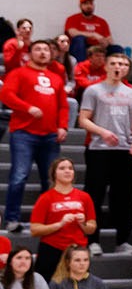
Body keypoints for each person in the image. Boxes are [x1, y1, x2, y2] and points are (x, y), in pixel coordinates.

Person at [2, 39, 70, 232]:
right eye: (38, 49)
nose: (42, 53)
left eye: (46, 50)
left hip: (50, 135)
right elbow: (6, 95)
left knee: (49, 180)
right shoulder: (19, 73)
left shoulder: (56, 78)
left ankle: (47, 219)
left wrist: (63, 126)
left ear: (52, 54)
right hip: (24, 134)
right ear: (30, 53)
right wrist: (28, 107)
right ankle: (12, 219)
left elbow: (63, 106)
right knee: (19, 176)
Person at [78, 52, 132, 253]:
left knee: (123, 198)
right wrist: (103, 132)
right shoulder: (93, 90)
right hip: (99, 150)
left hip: (125, 150)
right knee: (94, 196)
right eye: (114, 63)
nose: (118, 67)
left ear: (127, 69)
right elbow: (83, 119)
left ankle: (122, 240)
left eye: (123, 64)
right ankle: (92, 240)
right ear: (105, 66)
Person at [29, 158, 97, 286]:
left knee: (80, 288)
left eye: (70, 168)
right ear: (54, 173)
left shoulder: (84, 197)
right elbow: (34, 230)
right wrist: (59, 224)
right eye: (62, 168)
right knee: (45, 287)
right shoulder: (46, 198)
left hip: (77, 249)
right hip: (52, 248)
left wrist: (83, 223)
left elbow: (92, 228)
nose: (67, 171)